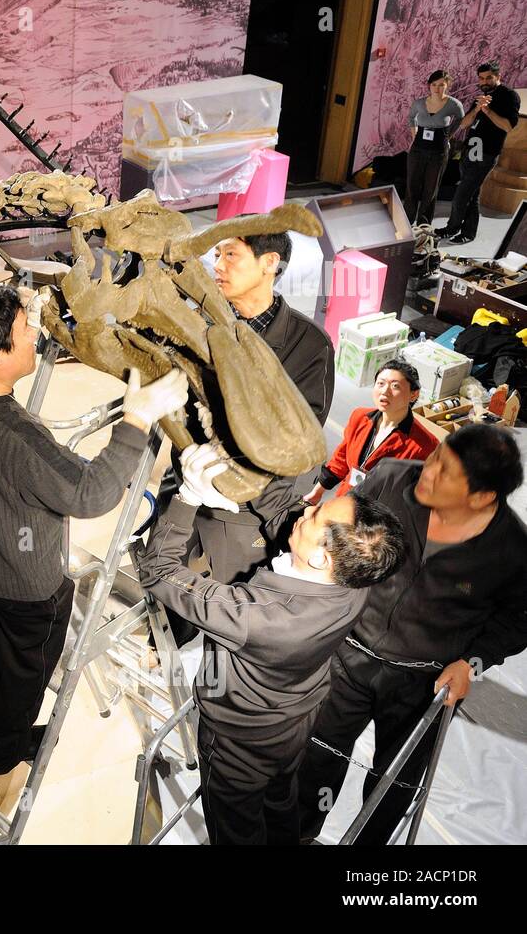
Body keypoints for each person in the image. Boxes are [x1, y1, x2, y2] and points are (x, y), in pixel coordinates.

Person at [0, 282, 188, 775]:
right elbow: (90, 493)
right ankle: (3, 750)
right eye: (25, 333)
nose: (35, 339)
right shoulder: (18, 439)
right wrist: (136, 421)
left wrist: (18, 305)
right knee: (26, 668)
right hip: (27, 585)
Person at [139, 443, 407, 845]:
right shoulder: (354, 583)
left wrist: (187, 498)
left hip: (236, 745)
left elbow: (157, 571)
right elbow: (285, 520)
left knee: (236, 831)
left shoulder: (256, 615)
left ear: (321, 559)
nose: (306, 510)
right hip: (290, 726)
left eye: (314, 516)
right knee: (279, 805)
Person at [298, 424, 527, 844]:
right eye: (435, 457)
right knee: (316, 758)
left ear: (481, 496)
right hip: (348, 654)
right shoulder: (391, 478)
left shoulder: (511, 550)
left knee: (393, 784)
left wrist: (471, 663)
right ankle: (300, 834)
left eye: (445, 473)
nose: (428, 471)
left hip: (424, 683)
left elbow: (518, 619)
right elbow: (337, 529)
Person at [160, 230, 334, 647]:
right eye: (216, 254)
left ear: (269, 263)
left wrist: (242, 485)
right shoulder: (195, 323)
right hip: (186, 481)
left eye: (231, 255)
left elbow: (298, 441)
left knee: (228, 615)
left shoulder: (309, 346)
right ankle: (164, 643)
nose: (217, 265)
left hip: (246, 512)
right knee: (168, 582)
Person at [303, 360, 437, 504]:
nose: (385, 391)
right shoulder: (360, 417)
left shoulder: (425, 445)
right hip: (344, 501)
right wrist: (317, 491)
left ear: (414, 394)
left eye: (395, 386)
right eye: (381, 383)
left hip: (379, 517)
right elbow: (341, 458)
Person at [439, 61, 521, 245]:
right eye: (481, 78)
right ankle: (468, 233)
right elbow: (464, 124)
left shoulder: (510, 96)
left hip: (486, 154)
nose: (484, 81)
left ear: (498, 77)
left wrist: (487, 110)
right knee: (472, 194)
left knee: (461, 194)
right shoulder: (480, 97)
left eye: (489, 78)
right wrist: (477, 109)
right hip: (469, 151)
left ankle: (451, 228)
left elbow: (507, 126)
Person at [404, 70, 464, 227]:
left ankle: (423, 226)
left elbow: (460, 119)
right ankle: (406, 222)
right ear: (429, 86)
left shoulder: (454, 104)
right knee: (412, 187)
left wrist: (448, 136)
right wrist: (413, 136)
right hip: (418, 149)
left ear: (447, 86)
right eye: (434, 85)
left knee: (431, 190)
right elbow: (411, 118)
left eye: (441, 85)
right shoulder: (419, 102)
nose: (437, 88)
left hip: (438, 151)